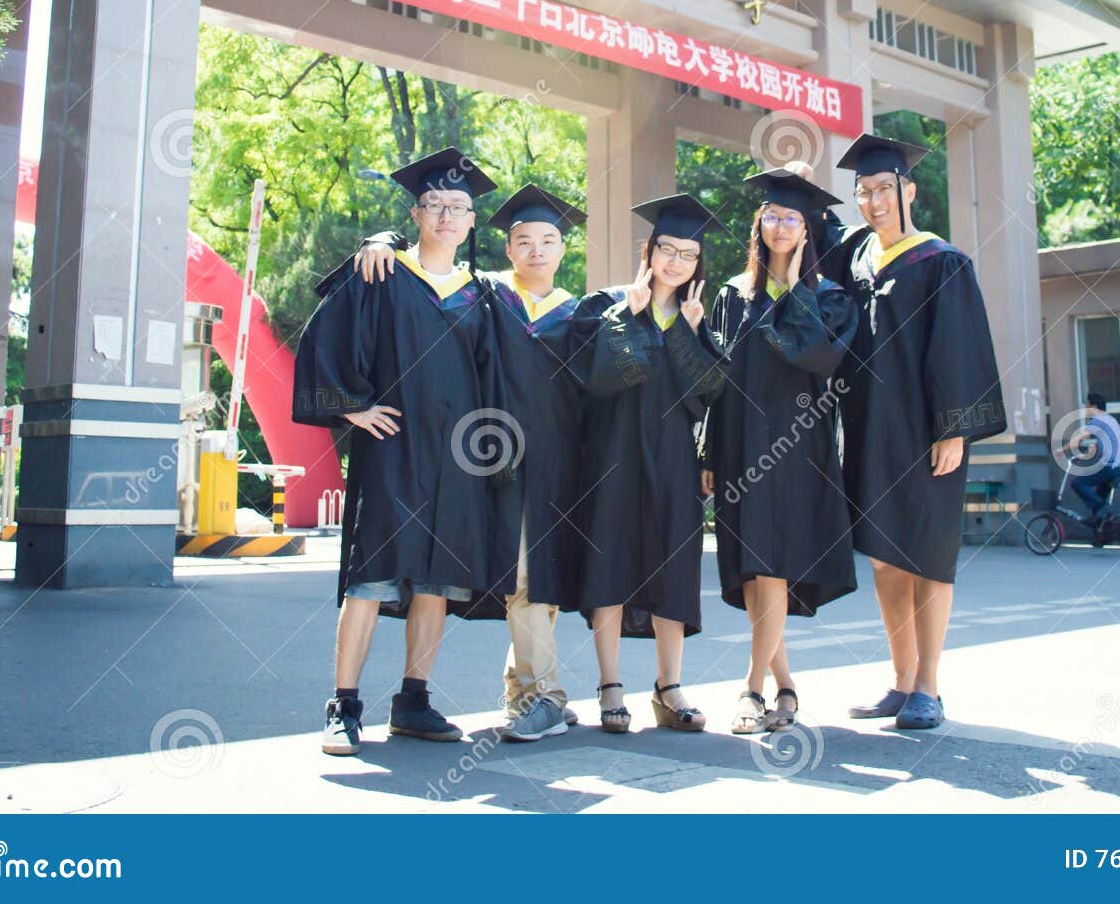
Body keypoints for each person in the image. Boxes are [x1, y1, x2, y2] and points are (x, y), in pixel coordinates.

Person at [354, 184, 587, 742]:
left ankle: (541, 694)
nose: (535, 251)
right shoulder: (484, 296)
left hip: (544, 465)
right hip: (477, 461)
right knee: (511, 576)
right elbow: (425, 265)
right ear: (506, 249)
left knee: (533, 576)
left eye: (547, 241)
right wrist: (382, 238)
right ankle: (526, 689)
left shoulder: (581, 315)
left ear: (562, 250)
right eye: (523, 241)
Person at [293, 147, 503, 754]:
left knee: (435, 579)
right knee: (370, 576)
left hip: (454, 459)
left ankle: (414, 700)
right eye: (435, 204)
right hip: (392, 451)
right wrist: (349, 405)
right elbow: (325, 338)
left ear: (469, 222)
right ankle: (344, 705)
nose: (447, 215)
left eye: (458, 207)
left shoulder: (480, 296)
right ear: (416, 213)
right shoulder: (381, 273)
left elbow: (497, 378)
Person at [816, 134, 1006, 732]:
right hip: (868, 430)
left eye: (883, 190)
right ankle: (900, 681)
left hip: (926, 436)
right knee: (884, 558)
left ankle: (929, 686)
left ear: (909, 191)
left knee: (926, 556)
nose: (873, 202)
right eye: (864, 192)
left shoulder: (941, 262)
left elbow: (959, 349)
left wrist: (955, 430)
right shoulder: (852, 257)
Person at [702, 169, 859, 735]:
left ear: (809, 227)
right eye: (772, 215)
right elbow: (716, 377)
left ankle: (750, 688)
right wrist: (706, 456)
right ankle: (787, 685)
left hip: (797, 447)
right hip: (740, 442)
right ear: (758, 223)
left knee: (771, 564)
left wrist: (794, 286)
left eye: (792, 217)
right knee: (753, 570)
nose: (780, 225)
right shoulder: (732, 294)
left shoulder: (829, 298)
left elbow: (817, 356)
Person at [570, 194, 727, 734]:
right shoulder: (607, 306)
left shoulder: (695, 320)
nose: (677, 262)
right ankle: (610, 687)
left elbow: (702, 396)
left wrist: (683, 331)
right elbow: (598, 381)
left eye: (689, 254)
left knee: (673, 567)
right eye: (668, 249)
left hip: (672, 462)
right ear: (651, 250)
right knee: (609, 562)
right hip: (613, 458)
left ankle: (669, 686)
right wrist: (630, 316)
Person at [1070, 392, 1120, 533]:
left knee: (1077, 483)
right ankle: (1102, 535)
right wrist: (1081, 457)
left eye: (1087, 405)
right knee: (1098, 503)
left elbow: (1081, 437)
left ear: (1094, 406)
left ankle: (1104, 510)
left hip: (1110, 468)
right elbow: (1096, 446)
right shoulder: (1109, 420)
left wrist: (1061, 449)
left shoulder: (1099, 420)